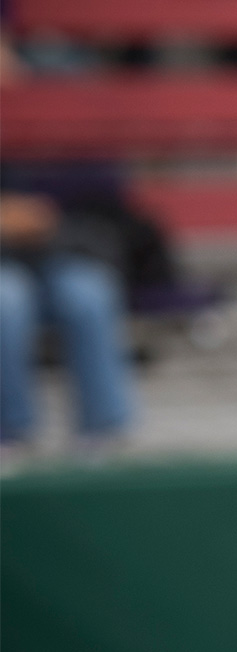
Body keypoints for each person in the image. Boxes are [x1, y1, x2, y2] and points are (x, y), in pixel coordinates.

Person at [0, 164, 142, 454]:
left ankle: (103, 428)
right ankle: (11, 432)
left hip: (48, 253)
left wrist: (35, 220)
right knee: (6, 299)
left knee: (88, 292)